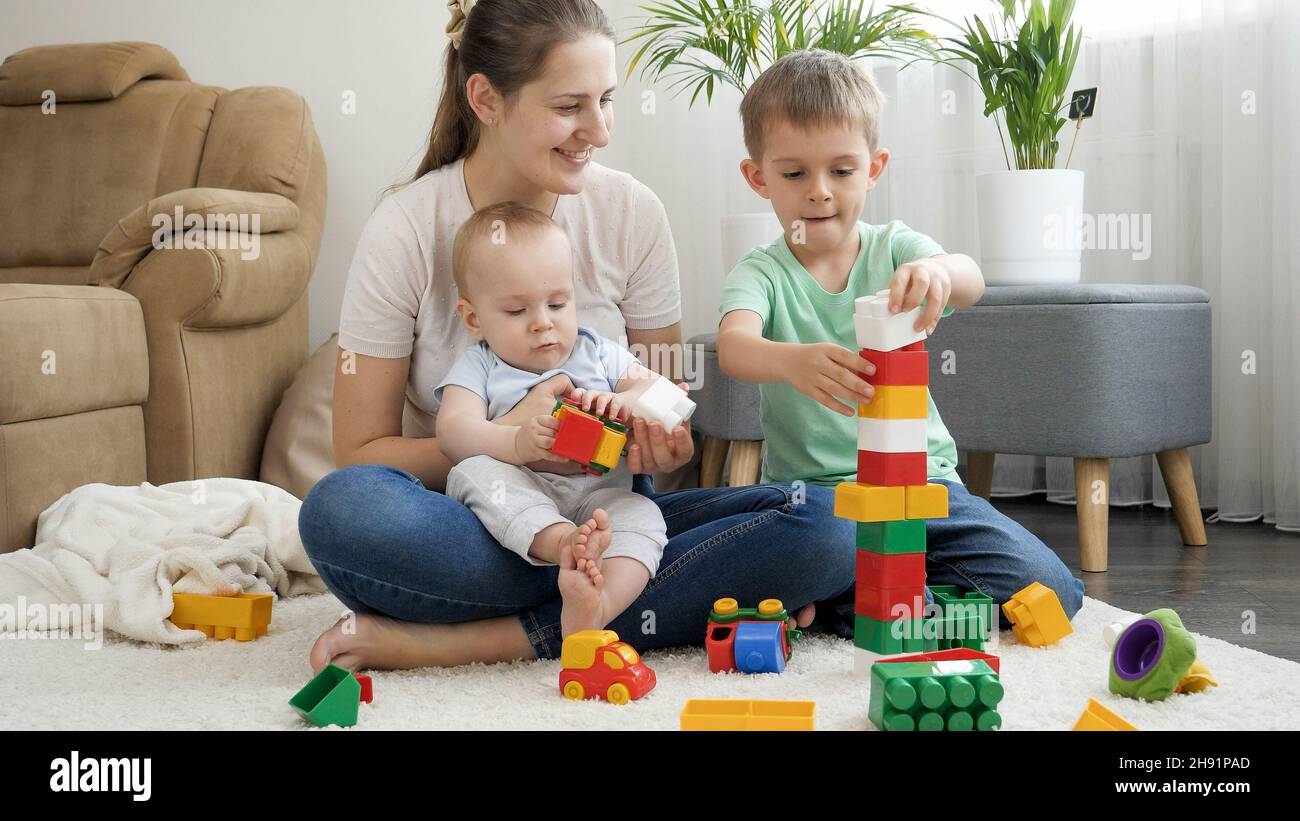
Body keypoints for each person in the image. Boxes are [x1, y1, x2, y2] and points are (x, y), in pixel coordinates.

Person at [298, 0, 850, 673]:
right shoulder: (407, 227)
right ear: (486, 98)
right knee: (341, 512)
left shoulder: (632, 213)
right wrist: (518, 440)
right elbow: (360, 456)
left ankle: (478, 638)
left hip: (608, 514)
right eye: (569, 106)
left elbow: (663, 414)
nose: (598, 130)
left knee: (827, 523)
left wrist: (663, 442)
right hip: (477, 524)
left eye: (607, 101)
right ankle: (670, 596)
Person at [715, 49, 1085, 629]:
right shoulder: (761, 272)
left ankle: (873, 594)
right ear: (758, 178)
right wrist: (789, 362)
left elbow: (972, 280)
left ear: (874, 168)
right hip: (823, 503)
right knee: (825, 547)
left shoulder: (895, 246)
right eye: (794, 174)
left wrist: (940, 273)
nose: (820, 192)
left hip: (927, 487)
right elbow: (734, 346)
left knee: (1053, 593)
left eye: (841, 170)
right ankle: (870, 590)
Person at [435, 202, 673, 637]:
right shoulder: (480, 365)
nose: (543, 324)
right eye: (516, 311)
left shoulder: (595, 350)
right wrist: (516, 443)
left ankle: (596, 607)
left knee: (644, 515)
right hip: (522, 492)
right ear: (473, 318)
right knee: (473, 471)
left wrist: (624, 402)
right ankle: (563, 543)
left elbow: (663, 391)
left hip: (602, 498)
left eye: (558, 303)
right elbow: (452, 431)